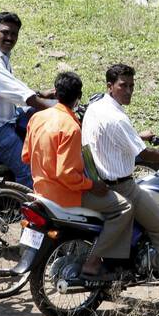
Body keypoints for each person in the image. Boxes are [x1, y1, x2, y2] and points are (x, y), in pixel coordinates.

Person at [81, 64, 159, 316]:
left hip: (99, 180)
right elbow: (143, 155)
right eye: (122, 86)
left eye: (131, 86)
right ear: (110, 86)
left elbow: (111, 140)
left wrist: (137, 136)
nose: (128, 91)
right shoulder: (117, 118)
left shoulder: (96, 107)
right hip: (122, 186)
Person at [22, 71, 134, 284]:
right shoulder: (71, 127)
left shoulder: (37, 117)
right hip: (66, 195)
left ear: (55, 93)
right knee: (124, 208)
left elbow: (26, 156)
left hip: (40, 191)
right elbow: (67, 175)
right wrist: (93, 185)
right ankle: (93, 263)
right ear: (78, 97)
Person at [0, 12, 54, 189]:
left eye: (14, 34)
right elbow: (18, 92)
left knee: (40, 121)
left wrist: (41, 94)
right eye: (5, 32)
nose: (10, 38)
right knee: (28, 170)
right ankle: (29, 215)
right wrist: (55, 107)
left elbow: (11, 86)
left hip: (7, 117)